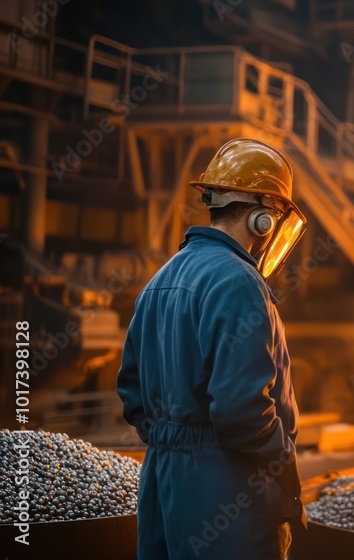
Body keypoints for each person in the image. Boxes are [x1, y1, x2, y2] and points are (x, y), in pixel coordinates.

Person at [117, 138, 309, 560]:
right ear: (263, 216)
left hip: (162, 484)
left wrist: (176, 440)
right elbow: (242, 414)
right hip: (227, 489)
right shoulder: (239, 281)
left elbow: (132, 395)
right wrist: (285, 466)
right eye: (274, 217)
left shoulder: (162, 278)